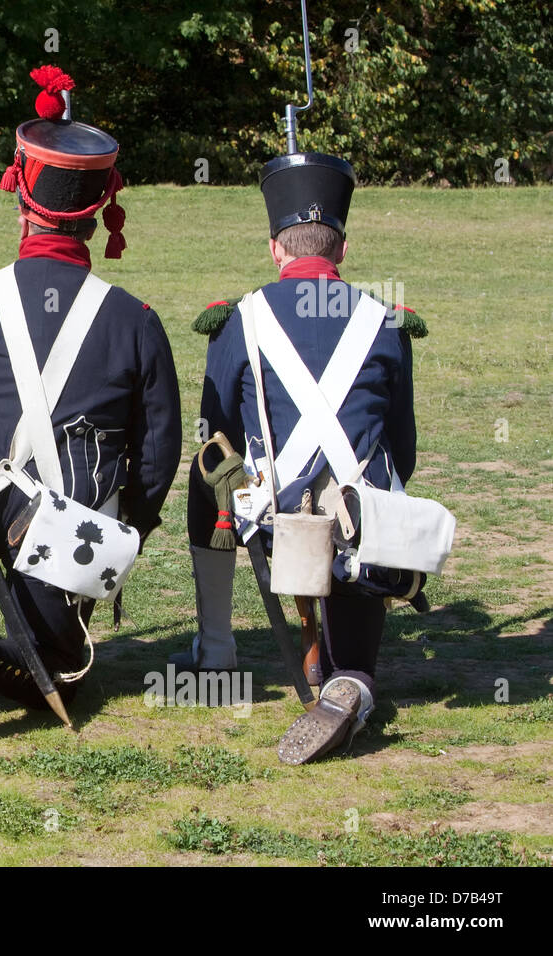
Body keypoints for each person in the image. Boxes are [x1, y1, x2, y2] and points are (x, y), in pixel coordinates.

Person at [0, 66, 182, 742]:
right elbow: (158, 454)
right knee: (59, 670)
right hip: (66, 519)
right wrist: (127, 532)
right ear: (99, 208)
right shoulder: (136, 319)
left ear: (21, 195)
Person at [180, 148, 426, 763]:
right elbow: (404, 448)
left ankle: (216, 650)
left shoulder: (240, 319)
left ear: (274, 247)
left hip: (270, 515)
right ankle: (347, 686)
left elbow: (219, 436)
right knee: (357, 662)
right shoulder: (386, 322)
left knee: (203, 473)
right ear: (341, 247)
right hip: (361, 528)